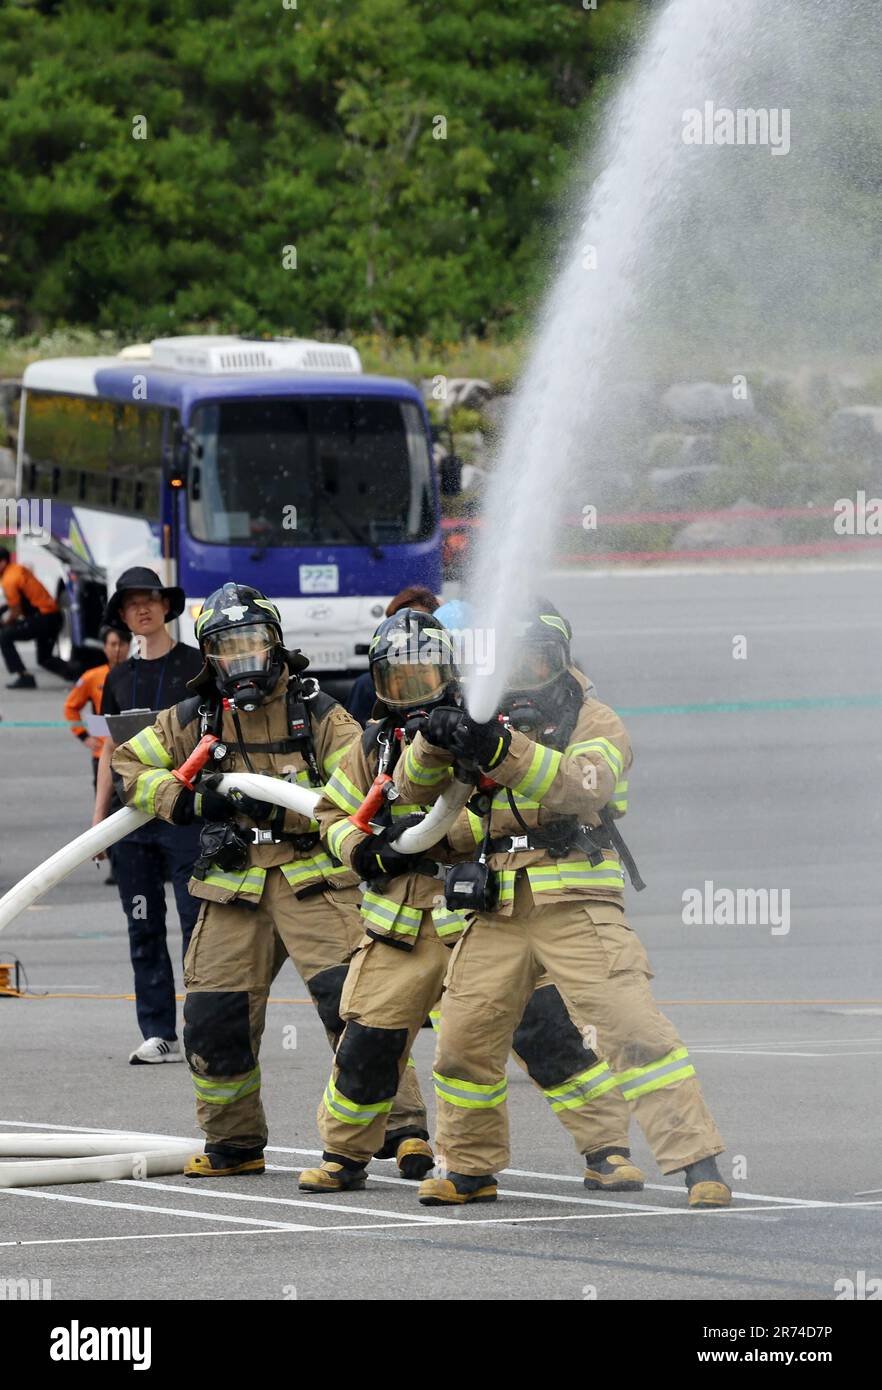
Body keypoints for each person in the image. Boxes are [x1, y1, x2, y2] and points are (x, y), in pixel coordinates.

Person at [298, 607, 644, 1195]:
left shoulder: (484, 724)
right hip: (400, 923)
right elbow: (331, 813)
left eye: (425, 679)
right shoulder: (376, 744)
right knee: (369, 1041)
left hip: (482, 910)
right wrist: (363, 852)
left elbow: (530, 796)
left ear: (451, 672)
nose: (414, 695)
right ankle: (344, 1154)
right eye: (398, 682)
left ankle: (605, 1150)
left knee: (544, 1031)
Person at [401, 599, 730, 1209]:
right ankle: (468, 1169)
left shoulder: (595, 719)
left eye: (535, 660)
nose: (523, 674)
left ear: (559, 661)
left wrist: (499, 750)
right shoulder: (482, 716)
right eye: (511, 662)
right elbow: (410, 792)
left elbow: (584, 787)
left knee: (633, 1031)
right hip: (496, 908)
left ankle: (698, 1162)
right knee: (462, 1043)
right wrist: (433, 741)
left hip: (576, 901)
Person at [112, 582, 431, 1180]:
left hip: (313, 880)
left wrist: (276, 808)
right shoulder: (195, 718)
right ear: (210, 656)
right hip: (233, 886)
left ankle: (403, 1129)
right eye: (227, 648)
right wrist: (186, 803)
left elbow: (361, 789)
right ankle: (234, 1143)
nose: (242, 660)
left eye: (252, 643)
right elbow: (127, 764)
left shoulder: (319, 713)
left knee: (358, 1009)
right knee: (214, 1017)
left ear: (276, 645)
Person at [93, 567, 204, 1064]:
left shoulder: (198, 666)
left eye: (150, 600)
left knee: (195, 922)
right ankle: (159, 1031)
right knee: (143, 925)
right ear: (122, 616)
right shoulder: (117, 678)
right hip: (130, 823)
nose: (141, 609)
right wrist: (98, 823)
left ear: (166, 607)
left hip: (183, 815)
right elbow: (108, 751)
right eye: (131, 604)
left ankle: (202, 1027)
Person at [64, 622, 131, 884]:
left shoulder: (134, 674)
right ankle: (116, 863)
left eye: (121, 644)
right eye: (111, 644)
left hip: (131, 754)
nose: (116, 650)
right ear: (104, 647)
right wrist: (83, 735)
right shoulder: (93, 677)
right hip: (102, 756)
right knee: (107, 809)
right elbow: (71, 707)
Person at [345, 585, 439, 726]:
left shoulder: (448, 683)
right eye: (401, 624)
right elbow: (354, 739)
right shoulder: (368, 686)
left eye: (419, 623)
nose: (410, 631)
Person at [0, 545, 76, 688]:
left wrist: (5, 623)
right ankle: (78, 676)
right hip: (52, 617)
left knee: (5, 636)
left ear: (3, 562)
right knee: (44, 658)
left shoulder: (9, 579)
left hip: (44, 619)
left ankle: (24, 677)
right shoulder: (17, 569)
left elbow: (15, 612)